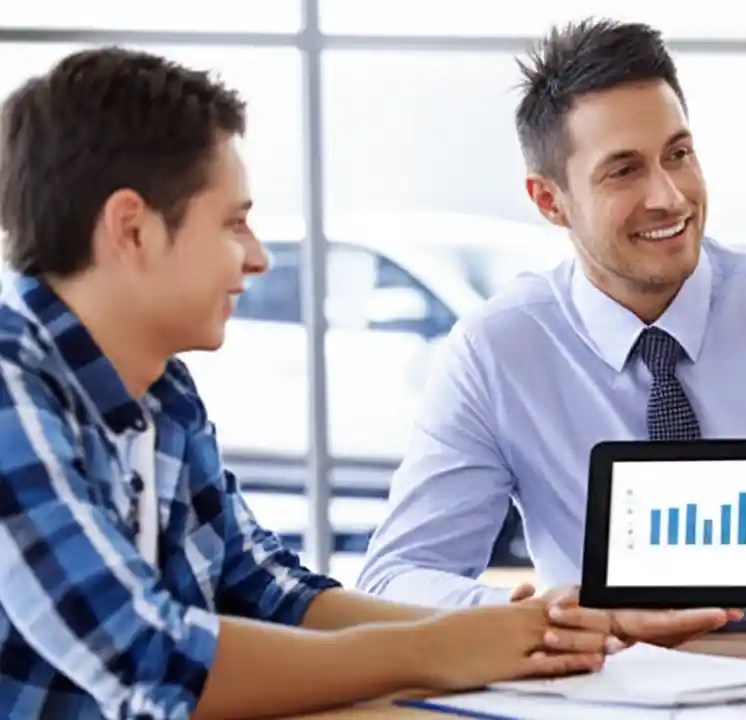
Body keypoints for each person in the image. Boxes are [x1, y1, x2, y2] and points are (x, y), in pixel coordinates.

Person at [0, 47, 632, 720]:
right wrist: (438, 648)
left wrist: (513, 633)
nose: (258, 257)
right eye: (232, 223)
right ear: (133, 229)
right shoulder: (11, 385)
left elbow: (267, 592)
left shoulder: (163, 394)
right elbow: (148, 655)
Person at [357, 18, 746, 631]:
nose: (671, 196)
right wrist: (559, 613)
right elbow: (398, 577)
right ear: (550, 201)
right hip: (605, 683)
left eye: (678, 154)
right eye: (624, 170)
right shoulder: (499, 350)